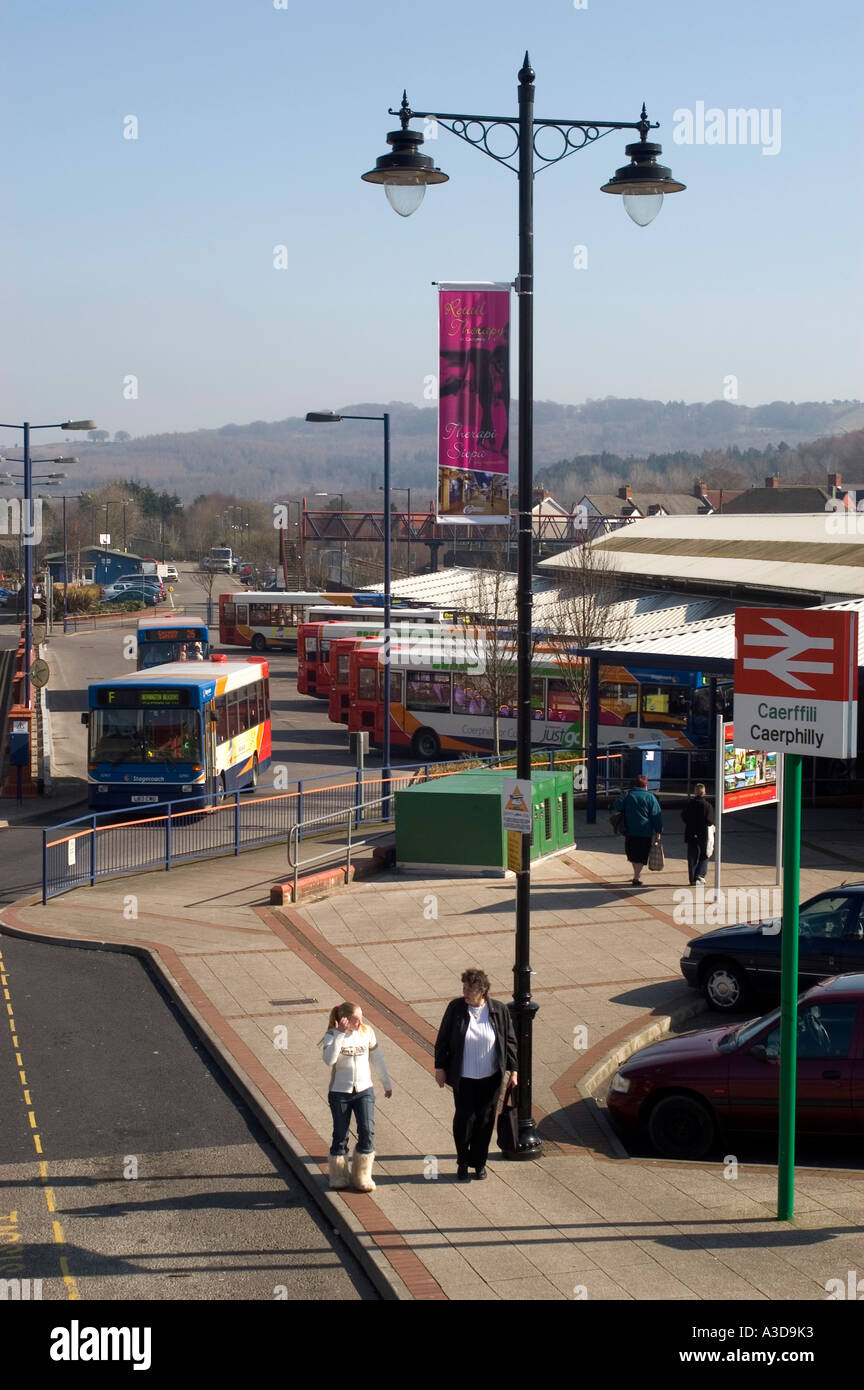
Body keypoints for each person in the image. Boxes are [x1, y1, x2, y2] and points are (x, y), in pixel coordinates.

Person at [434, 969, 518, 1182]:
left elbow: (509, 1042)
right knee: (464, 1120)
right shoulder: (456, 1009)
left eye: (469, 989)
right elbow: (443, 1039)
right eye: (464, 988)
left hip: (490, 1079)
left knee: (485, 1120)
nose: (465, 992)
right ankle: (463, 1161)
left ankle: (479, 1163)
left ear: (483, 991)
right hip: (465, 1078)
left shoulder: (498, 1010)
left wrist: (514, 1071)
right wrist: (440, 1068)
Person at [321, 1001, 392, 1193]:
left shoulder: (367, 1032)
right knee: (340, 1134)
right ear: (344, 1019)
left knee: (367, 1131)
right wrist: (340, 1035)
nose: (360, 1022)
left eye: (361, 1018)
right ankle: (338, 1175)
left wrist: (386, 1083)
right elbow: (329, 1060)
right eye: (356, 1019)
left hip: (364, 1090)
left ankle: (362, 1176)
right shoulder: (331, 1035)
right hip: (340, 1093)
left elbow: (377, 1059)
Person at [612, 774, 663, 886]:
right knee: (641, 855)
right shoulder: (650, 797)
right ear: (646, 785)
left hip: (630, 830)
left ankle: (636, 874)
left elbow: (616, 805)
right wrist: (658, 830)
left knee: (632, 854)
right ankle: (636, 876)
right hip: (645, 831)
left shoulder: (628, 795)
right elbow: (656, 815)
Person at [681, 782, 714, 885]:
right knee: (704, 854)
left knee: (692, 856)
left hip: (690, 832)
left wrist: (690, 822)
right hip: (702, 833)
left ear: (695, 792)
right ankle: (699, 875)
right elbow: (709, 821)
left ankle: (692, 879)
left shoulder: (689, 804)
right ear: (704, 793)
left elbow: (684, 816)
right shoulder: (707, 805)